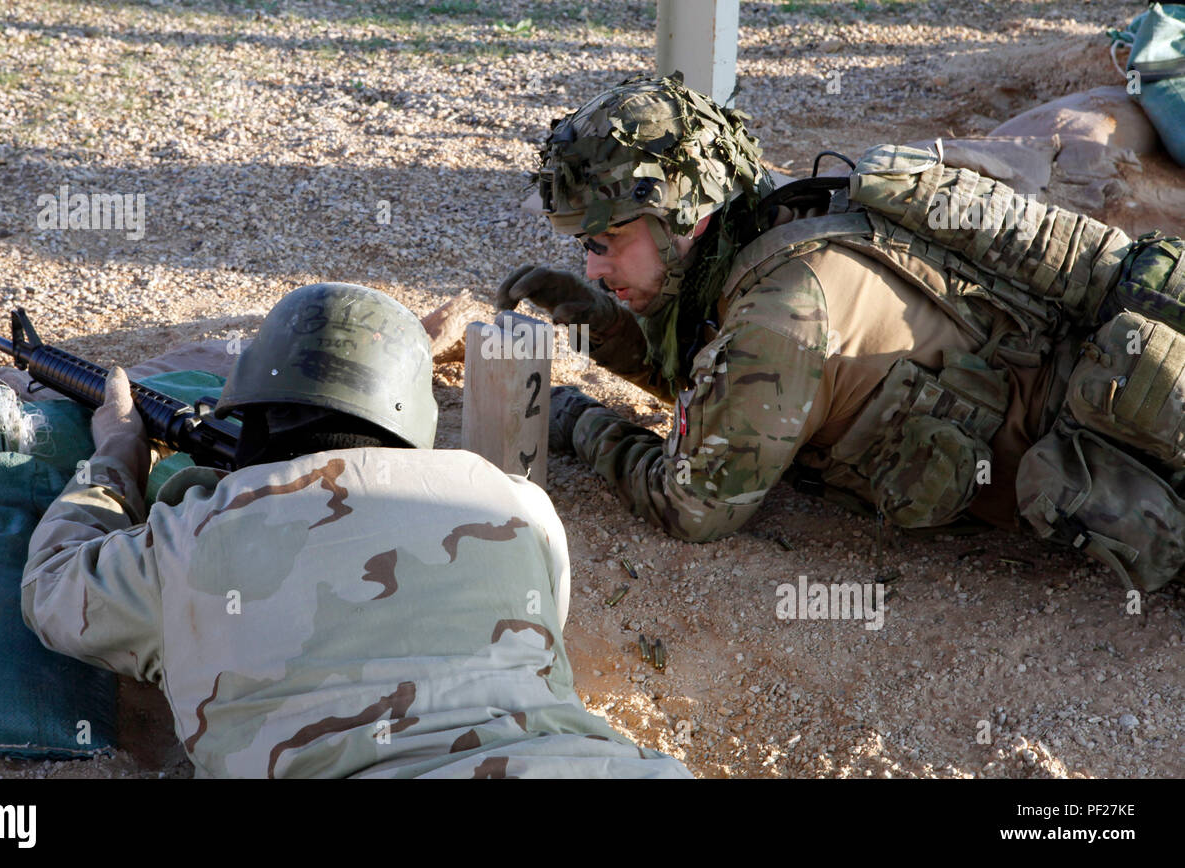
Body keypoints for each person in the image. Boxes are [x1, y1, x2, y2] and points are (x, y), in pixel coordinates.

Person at [497, 72, 1185, 592]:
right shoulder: (773, 213)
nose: (593, 261)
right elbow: (726, 383)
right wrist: (601, 323)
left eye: (608, 240)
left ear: (686, 219)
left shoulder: (782, 310)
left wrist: (578, 421)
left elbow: (695, 505)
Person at [22, 282, 691, 778]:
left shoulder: (193, 536)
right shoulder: (519, 504)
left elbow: (52, 591)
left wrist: (115, 454)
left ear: (253, 408)